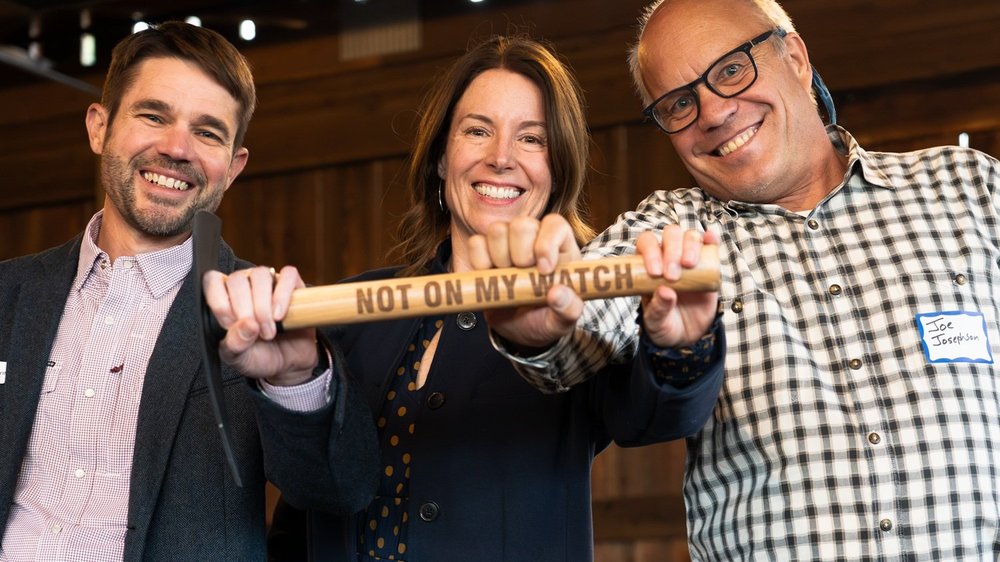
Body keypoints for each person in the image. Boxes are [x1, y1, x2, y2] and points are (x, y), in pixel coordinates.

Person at [470, 0, 1000, 560]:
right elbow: (580, 320)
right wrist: (538, 324)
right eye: (679, 103)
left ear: (795, 58)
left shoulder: (968, 187)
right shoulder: (671, 229)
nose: (714, 112)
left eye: (730, 69)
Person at [236, 34, 724, 561]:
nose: (501, 158)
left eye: (532, 139)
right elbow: (304, 511)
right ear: (441, 159)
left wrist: (682, 346)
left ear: (557, 170)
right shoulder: (349, 311)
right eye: (477, 130)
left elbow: (655, 416)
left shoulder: (582, 309)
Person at [0, 22, 378, 561]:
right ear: (99, 128)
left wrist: (294, 381)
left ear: (234, 166)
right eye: (153, 116)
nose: (177, 148)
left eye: (208, 133)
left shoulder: (271, 315)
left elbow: (339, 494)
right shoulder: (8, 295)